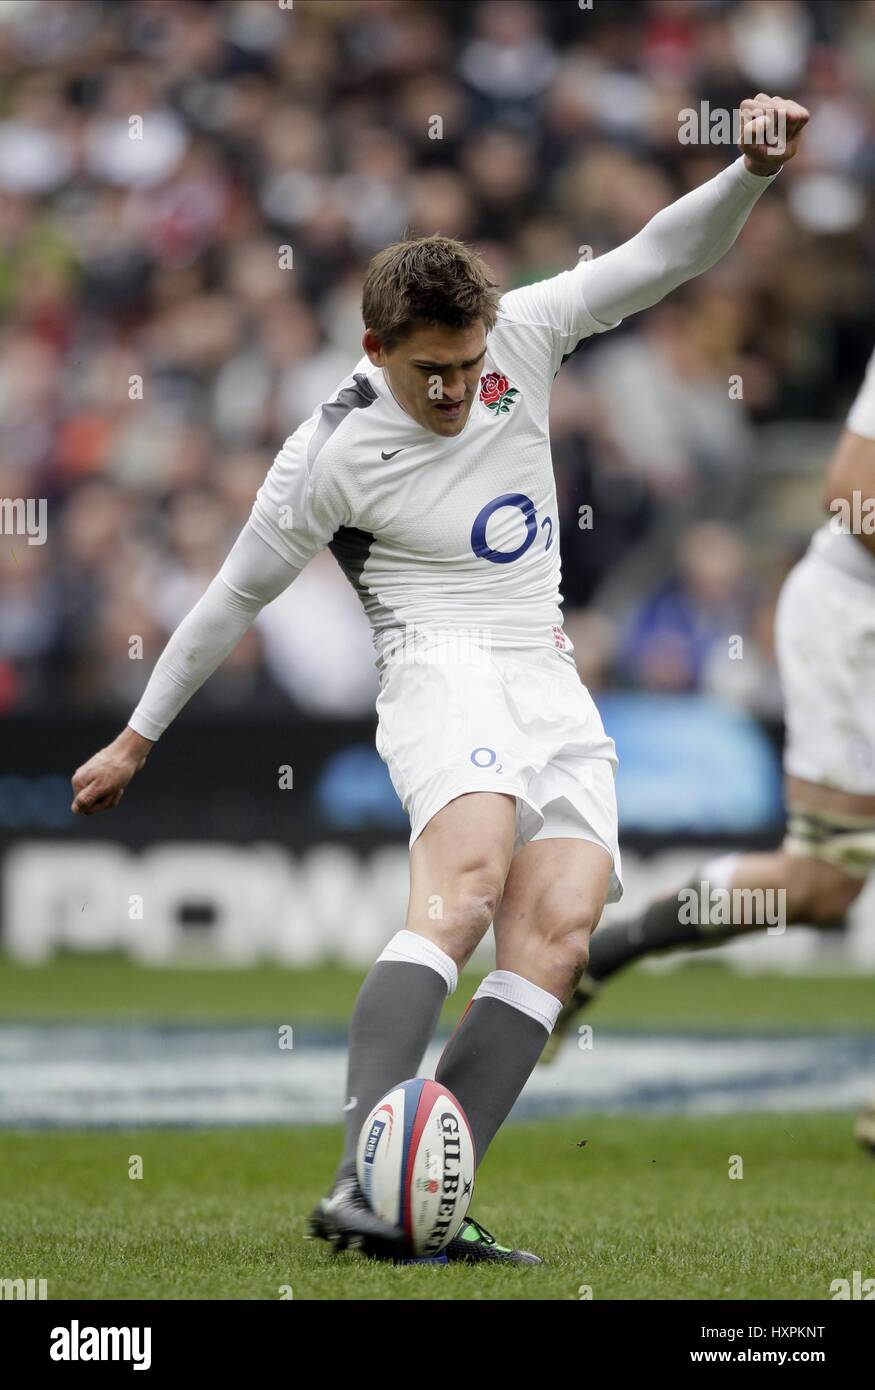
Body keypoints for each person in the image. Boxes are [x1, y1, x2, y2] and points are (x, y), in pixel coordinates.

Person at [71, 97, 808, 1264]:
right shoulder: (325, 452)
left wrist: (749, 175)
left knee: (556, 934)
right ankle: (368, 1170)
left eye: (469, 365)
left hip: (548, 677)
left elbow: (659, 258)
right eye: (432, 372)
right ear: (375, 351)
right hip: (437, 669)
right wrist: (137, 737)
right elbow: (229, 600)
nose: (459, 388)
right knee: (462, 883)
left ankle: (415, 1202)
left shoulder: (520, 332)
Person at [543, 344, 875, 1073]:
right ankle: (606, 953)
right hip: (857, 619)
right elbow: (852, 493)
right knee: (820, 884)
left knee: (824, 887)